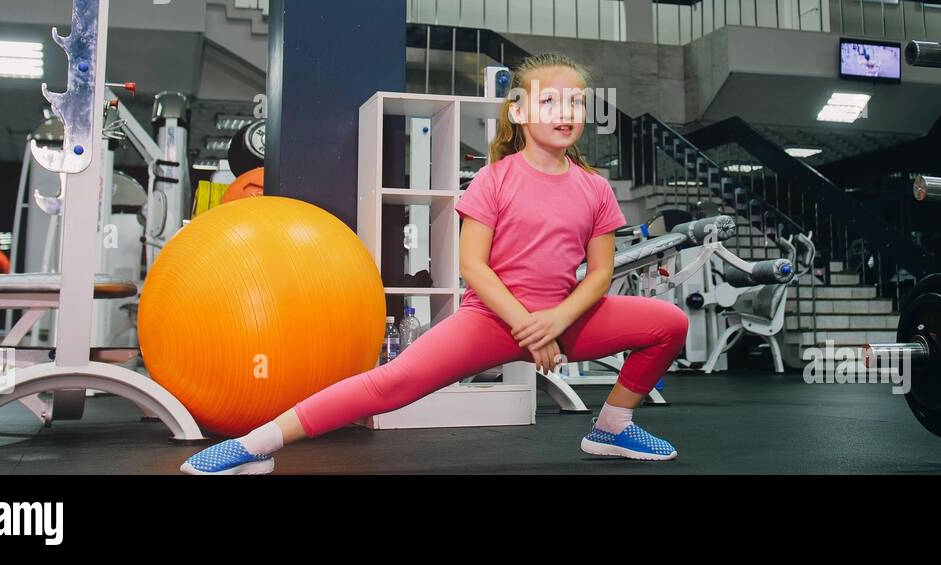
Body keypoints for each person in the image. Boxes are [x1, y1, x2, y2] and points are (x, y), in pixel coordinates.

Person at [181, 51, 689, 474]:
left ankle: (612, 428)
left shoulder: (594, 188)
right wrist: (529, 328)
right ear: (518, 113)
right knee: (390, 384)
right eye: (550, 99)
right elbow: (473, 266)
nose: (566, 111)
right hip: (491, 319)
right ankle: (255, 445)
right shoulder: (496, 179)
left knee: (669, 323)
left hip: (563, 320)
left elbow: (601, 272)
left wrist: (555, 320)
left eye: (576, 102)